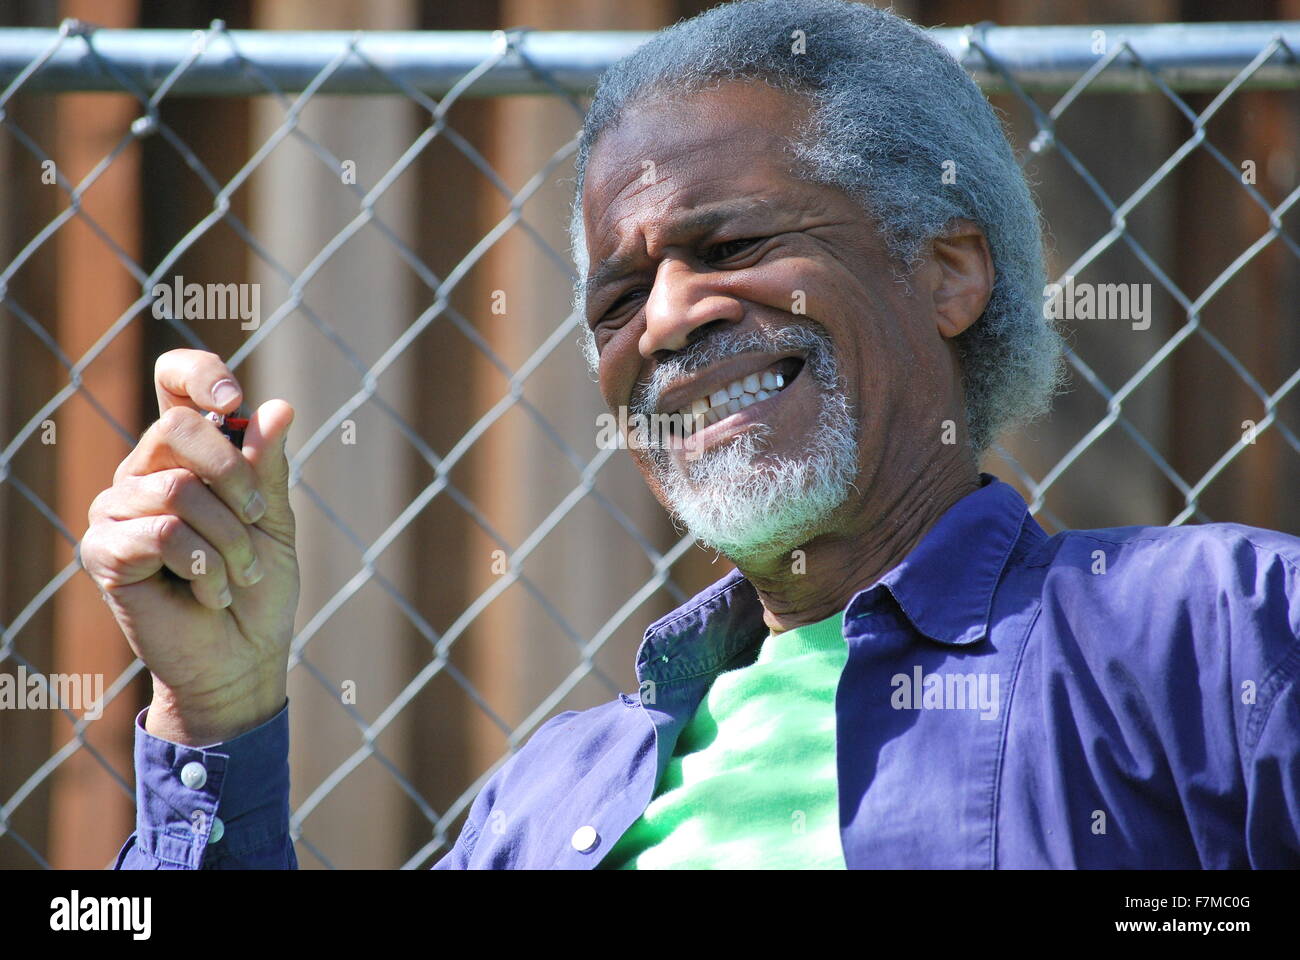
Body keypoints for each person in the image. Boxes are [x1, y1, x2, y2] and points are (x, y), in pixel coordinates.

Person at [83, 0, 1299, 869]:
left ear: (945, 271)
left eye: (731, 248)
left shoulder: (1207, 636)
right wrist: (217, 714)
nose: (666, 317)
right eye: (618, 296)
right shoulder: (546, 799)